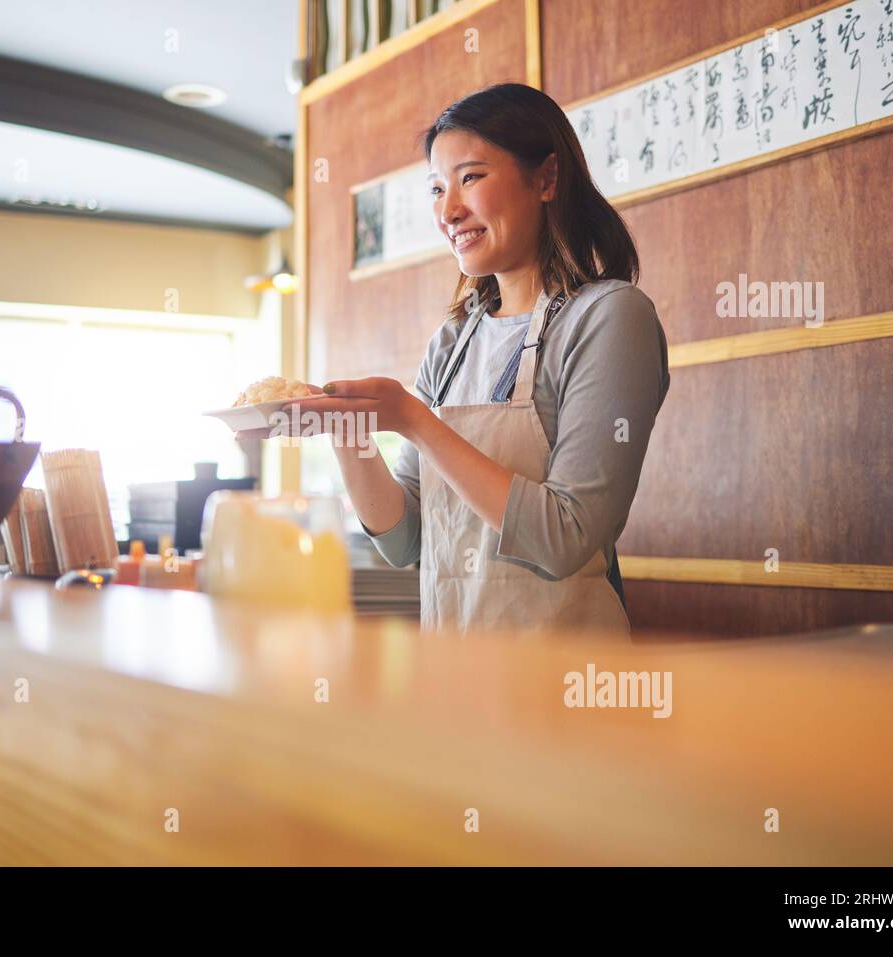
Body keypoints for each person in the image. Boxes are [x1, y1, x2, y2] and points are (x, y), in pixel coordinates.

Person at [283, 83, 669, 634]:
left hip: (566, 688)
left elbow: (563, 539)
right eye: (437, 189)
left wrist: (414, 420)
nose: (449, 210)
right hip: (456, 680)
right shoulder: (454, 340)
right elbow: (404, 539)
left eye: (470, 178)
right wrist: (348, 429)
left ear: (546, 179)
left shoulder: (610, 318)